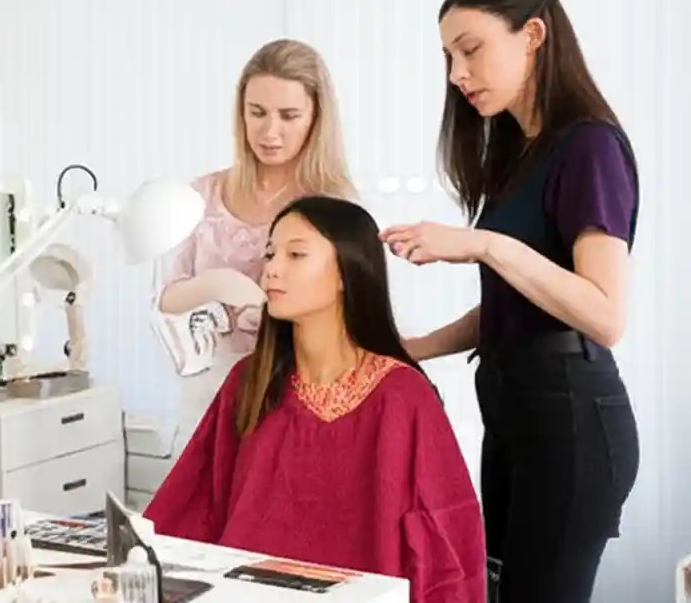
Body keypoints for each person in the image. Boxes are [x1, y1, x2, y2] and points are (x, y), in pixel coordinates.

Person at [381, 0, 639, 602]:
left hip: (572, 422)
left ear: (532, 35)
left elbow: (604, 314)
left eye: (470, 50)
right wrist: (411, 348)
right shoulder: (518, 155)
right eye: (448, 56)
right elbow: (515, 303)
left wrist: (481, 244)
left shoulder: (590, 148)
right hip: (514, 413)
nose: (456, 74)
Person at [145, 197, 485, 602]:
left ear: (346, 271)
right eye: (270, 253)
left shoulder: (402, 397)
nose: (271, 268)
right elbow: (190, 505)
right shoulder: (249, 381)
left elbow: (447, 542)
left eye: (296, 254)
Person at [153, 39, 355, 454]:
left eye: (289, 116)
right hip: (210, 393)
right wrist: (217, 284)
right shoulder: (201, 196)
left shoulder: (334, 206)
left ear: (316, 117)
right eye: (257, 113)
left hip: (294, 400)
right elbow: (166, 299)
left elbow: (347, 321)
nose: (270, 132)